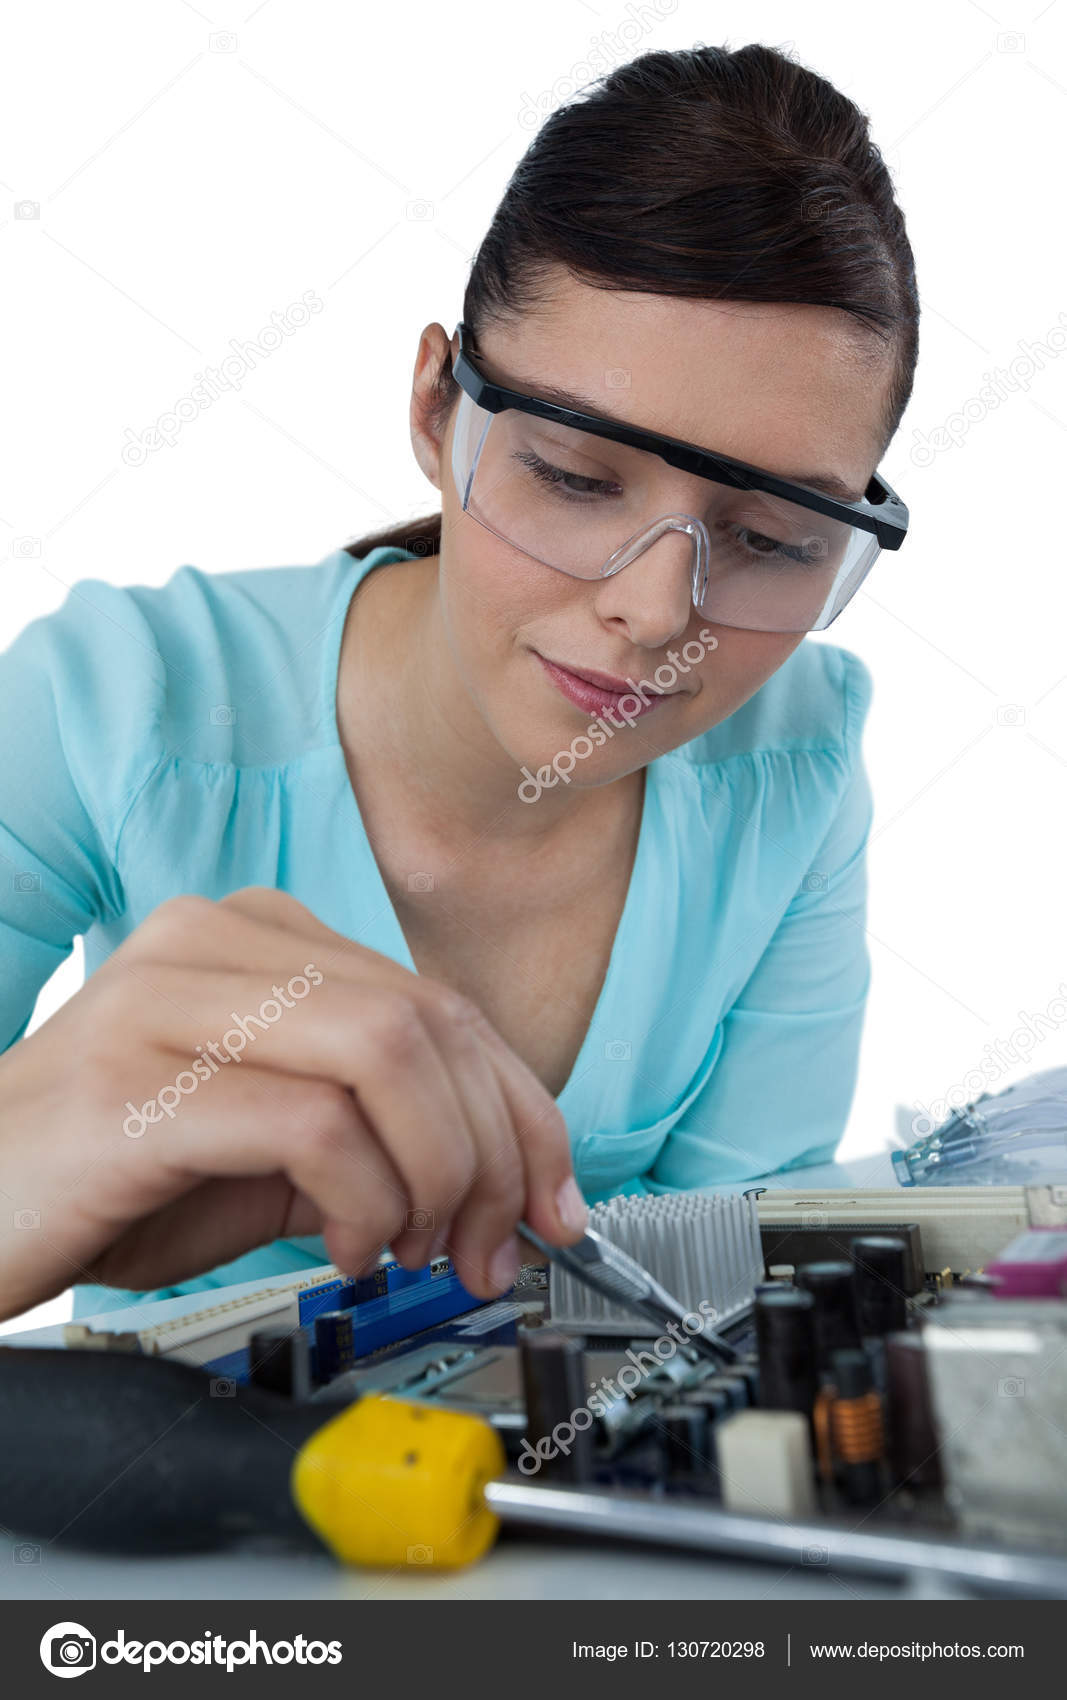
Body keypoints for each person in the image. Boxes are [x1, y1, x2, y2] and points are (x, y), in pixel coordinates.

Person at [0, 42, 918, 1323]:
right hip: (147, 1505)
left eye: (772, 541)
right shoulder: (110, 701)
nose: (655, 614)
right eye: (575, 478)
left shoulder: (799, 765)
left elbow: (723, 1304)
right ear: (437, 408)